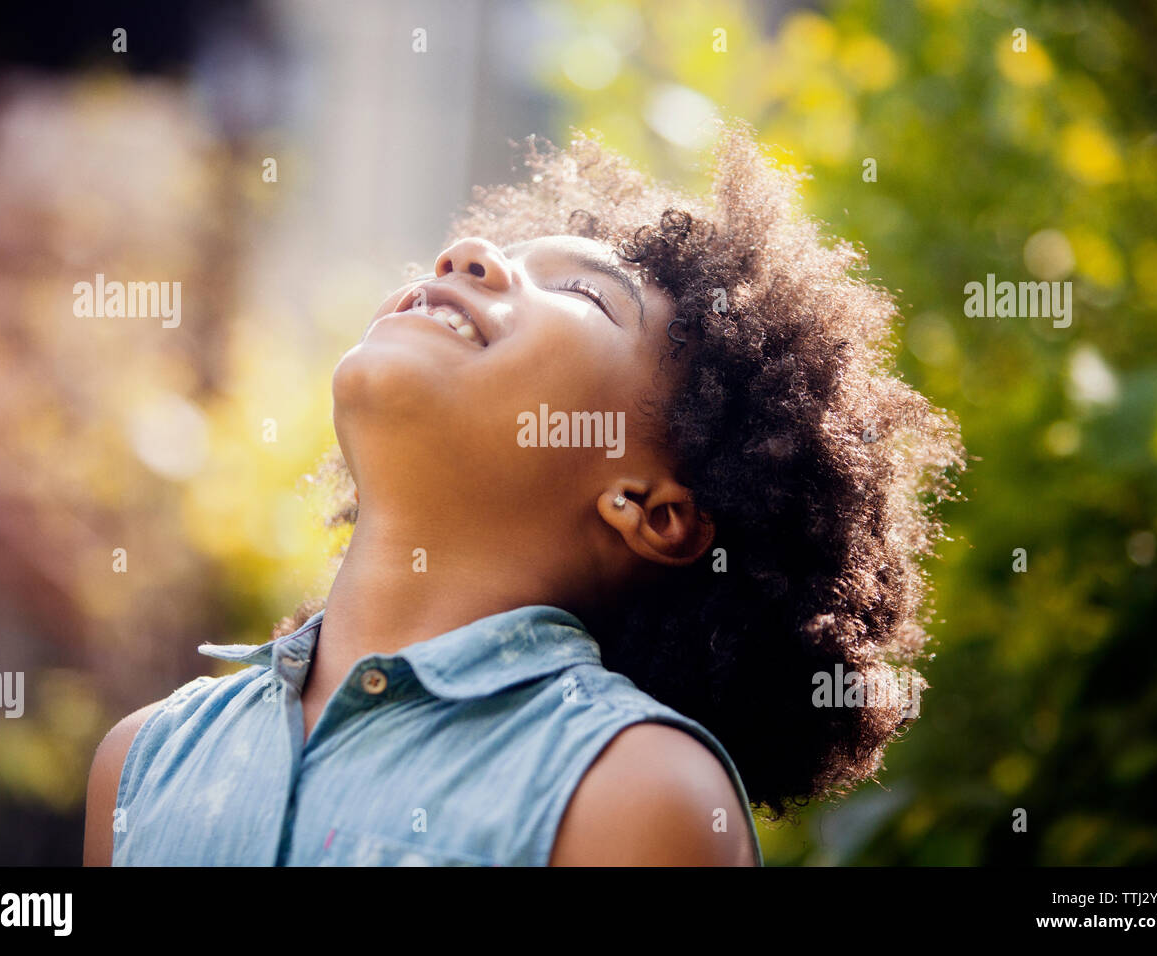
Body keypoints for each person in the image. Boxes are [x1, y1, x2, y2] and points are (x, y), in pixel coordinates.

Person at [83, 119, 963, 866]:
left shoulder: (632, 794)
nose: (466, 255)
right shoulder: (141, 761)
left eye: (580, 289)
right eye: (494, 249)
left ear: (652, 509)